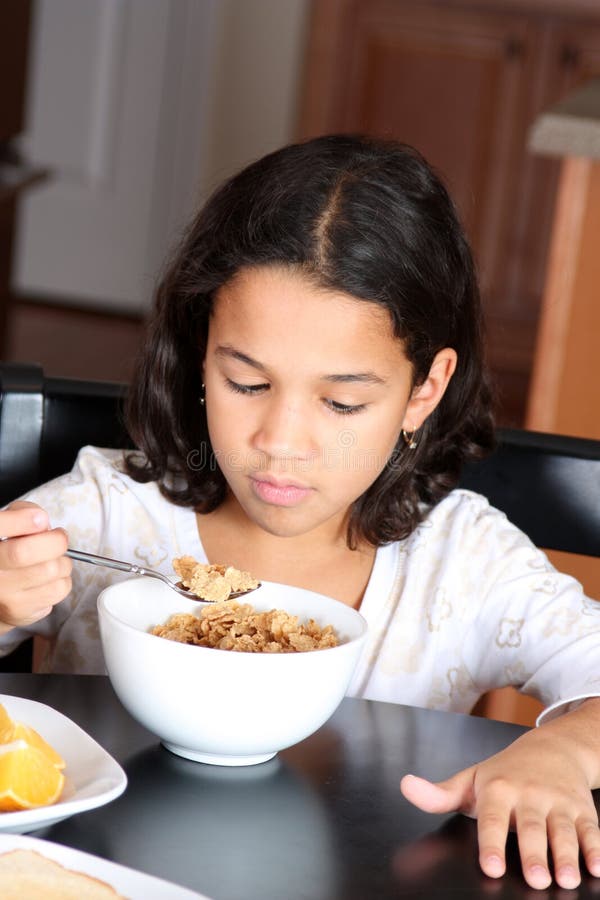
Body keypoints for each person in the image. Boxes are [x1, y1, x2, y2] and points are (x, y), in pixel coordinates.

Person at [0, 134, 599, 890]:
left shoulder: (463, 561)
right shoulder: (103, 515)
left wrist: (563, 750)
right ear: (201, 352)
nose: (280, 443)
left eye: (343, 401)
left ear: (425, 389)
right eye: (246, 384)